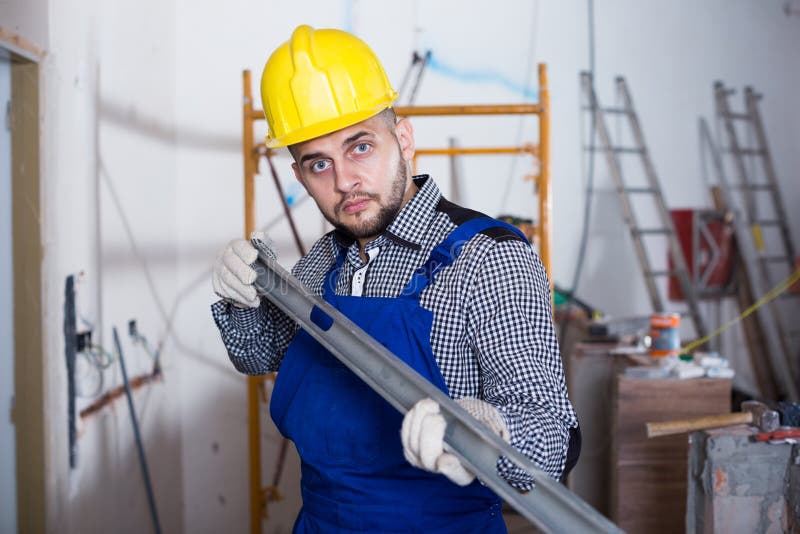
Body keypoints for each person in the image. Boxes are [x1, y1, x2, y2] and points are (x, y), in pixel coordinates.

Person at [212, 25, 579, 533]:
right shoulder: (322, 261)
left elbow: (554, 436)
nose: (344, 181)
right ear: (300, 177)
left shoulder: (487, 259)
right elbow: (257, 355)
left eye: (360, 147)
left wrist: (491, 433)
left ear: (403, 139)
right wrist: (245, 294)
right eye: (319, 164)